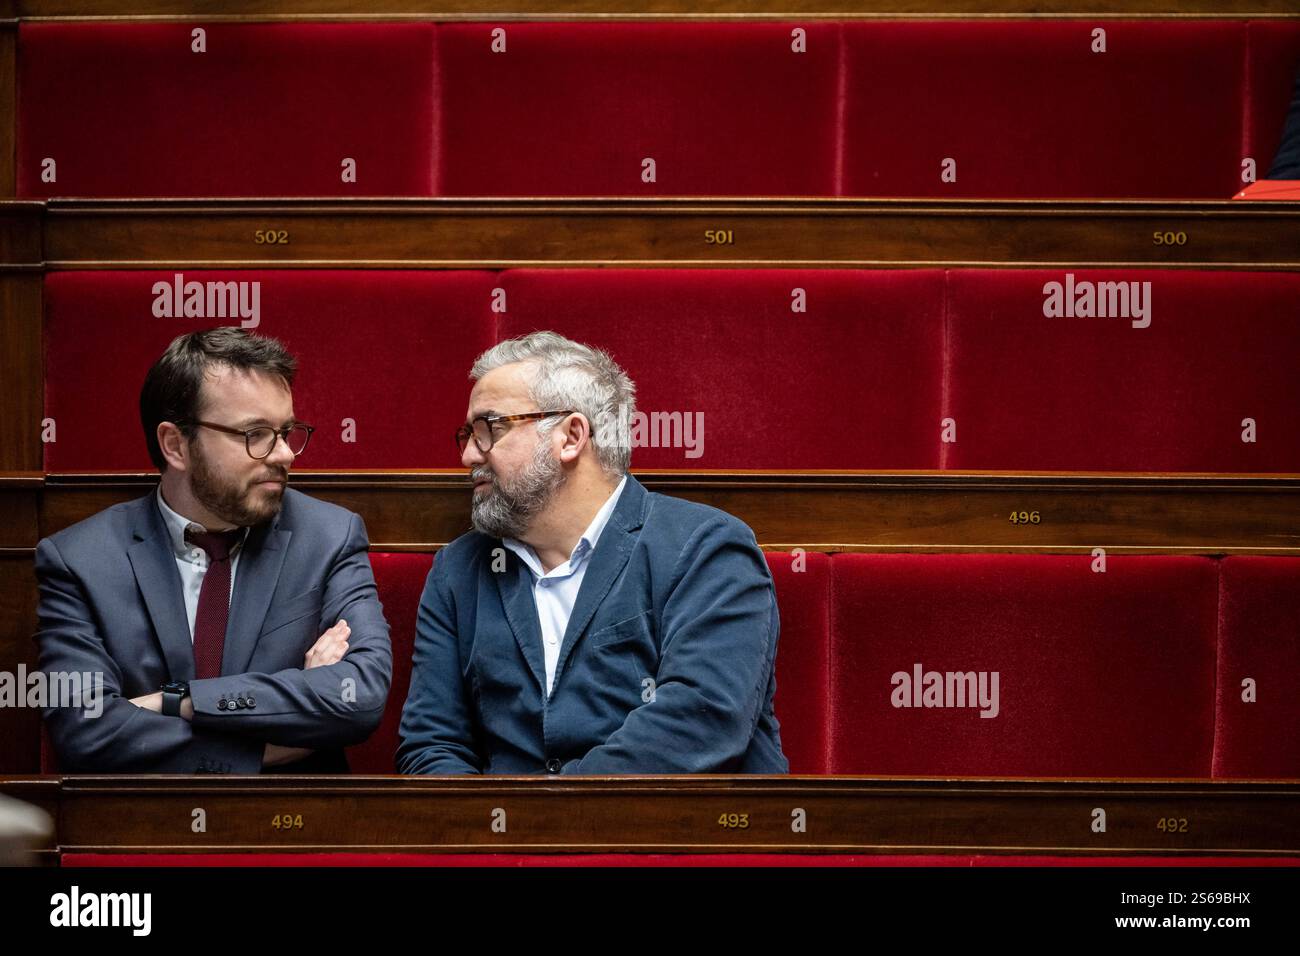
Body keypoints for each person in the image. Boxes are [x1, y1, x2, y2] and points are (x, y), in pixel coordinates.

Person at [397, 331, 786, 774]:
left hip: (680, 835)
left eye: (490, 428)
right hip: (508, 840)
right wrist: (494, 835)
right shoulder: (457, 571)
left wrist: (546, 814)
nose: (468, 454)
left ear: (571, 436)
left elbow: (703, 719)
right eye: (467, 433)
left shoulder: (706, 548)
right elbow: (431, 746)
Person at [35, 327, 392, 773]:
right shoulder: (79, 560)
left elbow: (358, 697)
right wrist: (260, 746)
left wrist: (179, 701)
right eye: (255, 433)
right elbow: (84, 729)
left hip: (294, 825)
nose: (284, 454)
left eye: (287, 431)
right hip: (141, 829)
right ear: (176, 445)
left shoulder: (330, 536)